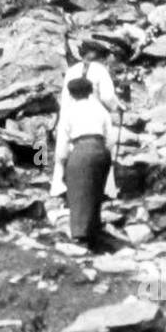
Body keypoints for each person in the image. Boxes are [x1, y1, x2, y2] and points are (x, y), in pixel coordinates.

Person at [51, 76, 115, 248]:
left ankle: (81, 236)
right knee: (95, 191)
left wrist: (61, 161)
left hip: (81, 149)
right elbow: (110, 138)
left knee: (78, 192)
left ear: (71, 94)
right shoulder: (101, 110)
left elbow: (62, 142)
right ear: (90, 91)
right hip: (101, 150)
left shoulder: (69, 112)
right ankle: (94, 232)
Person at [59, 39, 120, 197]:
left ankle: (61, 187)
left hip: (71, 114)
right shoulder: (100, 70)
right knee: (106, 149)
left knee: (69, 152)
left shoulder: (72, 71)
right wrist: (116, 107)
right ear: (98, 56)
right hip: (96, 114)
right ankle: (107, 189)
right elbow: (107, 96)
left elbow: (65, 99)